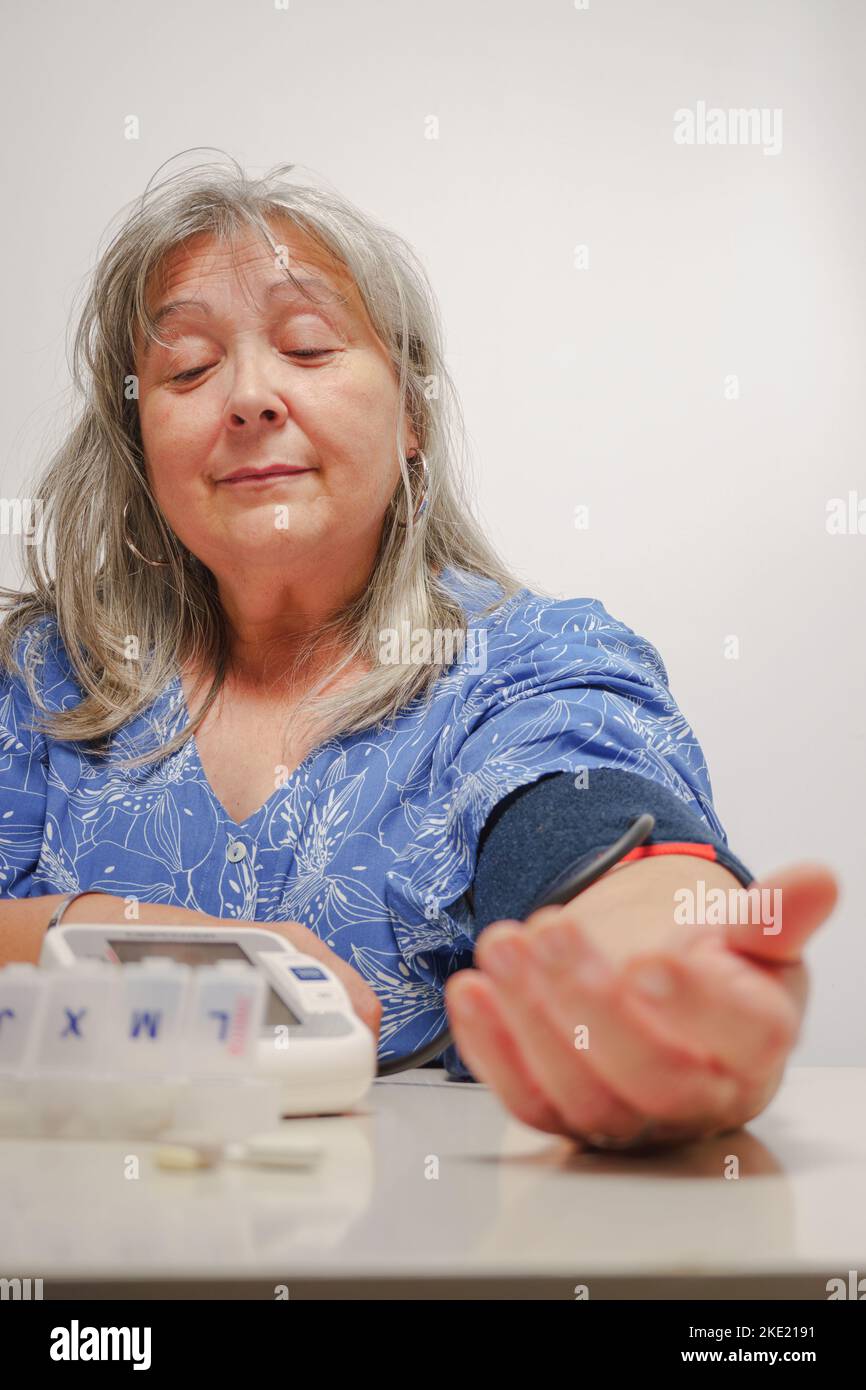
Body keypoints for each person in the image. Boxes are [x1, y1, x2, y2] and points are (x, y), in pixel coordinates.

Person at [0, 154, 838, 1151]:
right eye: (185, 368)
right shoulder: (40, 678)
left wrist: (658, 964)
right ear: (142, 443)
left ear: (410, 417)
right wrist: (170, 946)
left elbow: (591, 822)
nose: (249, 396)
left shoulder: (526, 659)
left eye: (308, 347)